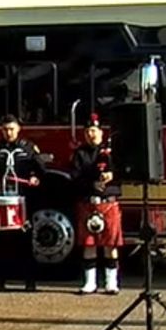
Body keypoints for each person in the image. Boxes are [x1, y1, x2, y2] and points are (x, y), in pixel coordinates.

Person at [0, 115, 43, 292]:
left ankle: (29, 282)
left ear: (18, 129)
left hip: (23, 201)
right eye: (5, 129)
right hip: (2, 200)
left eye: (11, 129)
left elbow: (41, 170)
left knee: (24, 242)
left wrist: (35, 178)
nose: (8, 133)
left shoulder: (29, 148)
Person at [70, 117, 123, 295]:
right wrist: (91, 185)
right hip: (88, 202)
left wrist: (112, 175)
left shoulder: (112, 152)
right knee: (89, 244)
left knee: (110, 244)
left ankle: (111, 282)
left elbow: (124, 172)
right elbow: (74, 178)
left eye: (94, 131)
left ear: (101, 132)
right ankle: (90, 283)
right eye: (87, 131)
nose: (90, 134)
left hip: (108, 203)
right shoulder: (80, 154)